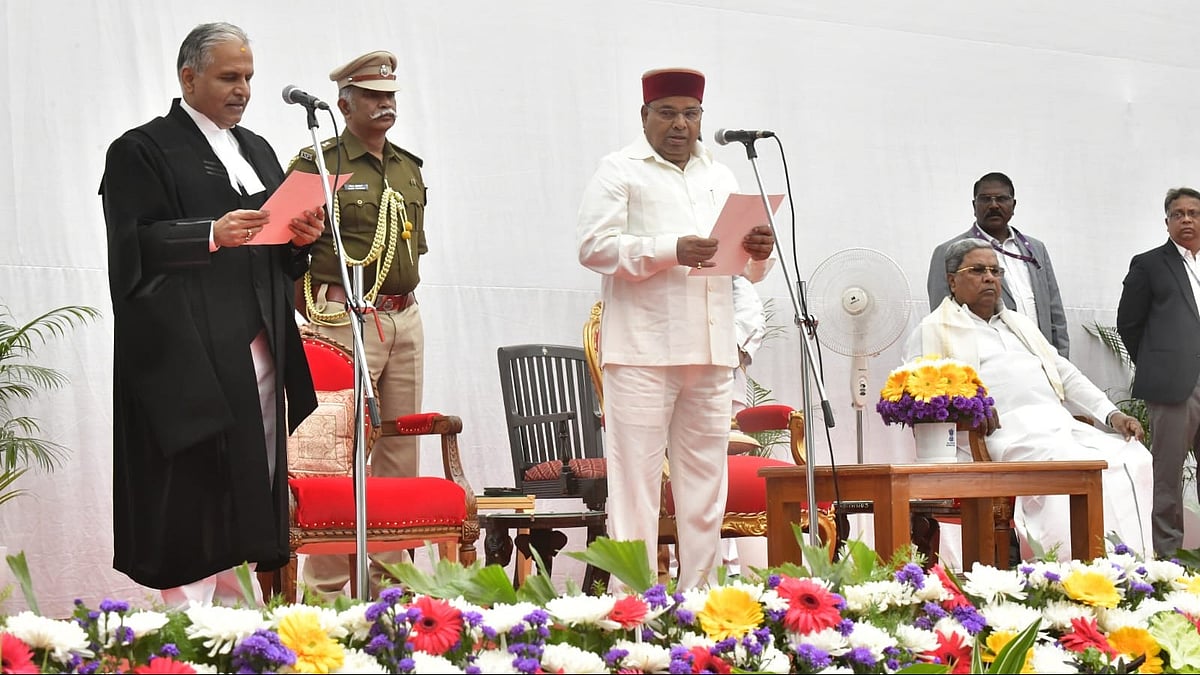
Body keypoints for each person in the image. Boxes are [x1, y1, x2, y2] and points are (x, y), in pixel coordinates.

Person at [100, 22, 324, 606]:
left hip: (260, 340)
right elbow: (130, 249)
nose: (242, 89)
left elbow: (277, 256)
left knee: (249, 477)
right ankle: (185, 618)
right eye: (229, 76)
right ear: (188, 76)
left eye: (248, 77)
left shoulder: (259, 149)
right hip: (189, 349)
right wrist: (208, 234)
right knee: (196, 480)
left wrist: (300, 238)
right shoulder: (141, 149)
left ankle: (231, 612)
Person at [577, 67, 775, 589]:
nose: (680, 124)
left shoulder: (720, 175)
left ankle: (699, 599)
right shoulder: (619, 170)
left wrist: (757, 255)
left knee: (706, 484)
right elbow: (593, 247)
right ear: (645, 116)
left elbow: (741, 270)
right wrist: (671, 250)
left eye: (690, 113)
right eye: (667, 112)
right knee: (635, 485)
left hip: (711, 350)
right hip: (643, 351)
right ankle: (633, 603)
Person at [907, 238, 1152, 559]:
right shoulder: (933, 330)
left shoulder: (1018, 324)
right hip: (1004, 433)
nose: (990, 278)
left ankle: (1131, 565)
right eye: (978, 270)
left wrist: (1112, 415)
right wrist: (969, 409)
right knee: (1067, 465)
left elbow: (1064, 372)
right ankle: (1060, 568)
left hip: (1058, 424)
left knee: (1133, 458)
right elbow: (916, 396)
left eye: (996, 271)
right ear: (952, 280)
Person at [286, 50, 428, 598]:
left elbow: (412, 247)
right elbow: (283, 246)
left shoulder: (407, 167)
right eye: (372, 95)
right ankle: (325, 596)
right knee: (338, 451)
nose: (385, 104)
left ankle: (393, 588)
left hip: (403, 315)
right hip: (341, 317)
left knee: (398, 447)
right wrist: (311, 310)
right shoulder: (317, 162)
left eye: (390, 95)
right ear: (344, 103)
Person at [1117, 187, 1200, 558]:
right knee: (1168, 475)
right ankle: (1169, 560)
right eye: (1178, 214)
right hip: (1173, 385)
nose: (1187, 220)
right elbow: (1129, 324)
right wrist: (1156, 363)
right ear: (1166, 221)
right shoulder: (1149, 264)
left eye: (1193, 213)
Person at [927, 172, 1070, 357]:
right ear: (974, 205)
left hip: (1042, 360)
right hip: (989, 364)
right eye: (985, 199)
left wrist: (1061, 362)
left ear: (1013, 205)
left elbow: (1055, 313)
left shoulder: (1036, 249)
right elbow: (942, 321)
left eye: (1001, 199)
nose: (994, 205)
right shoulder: (948, 251)